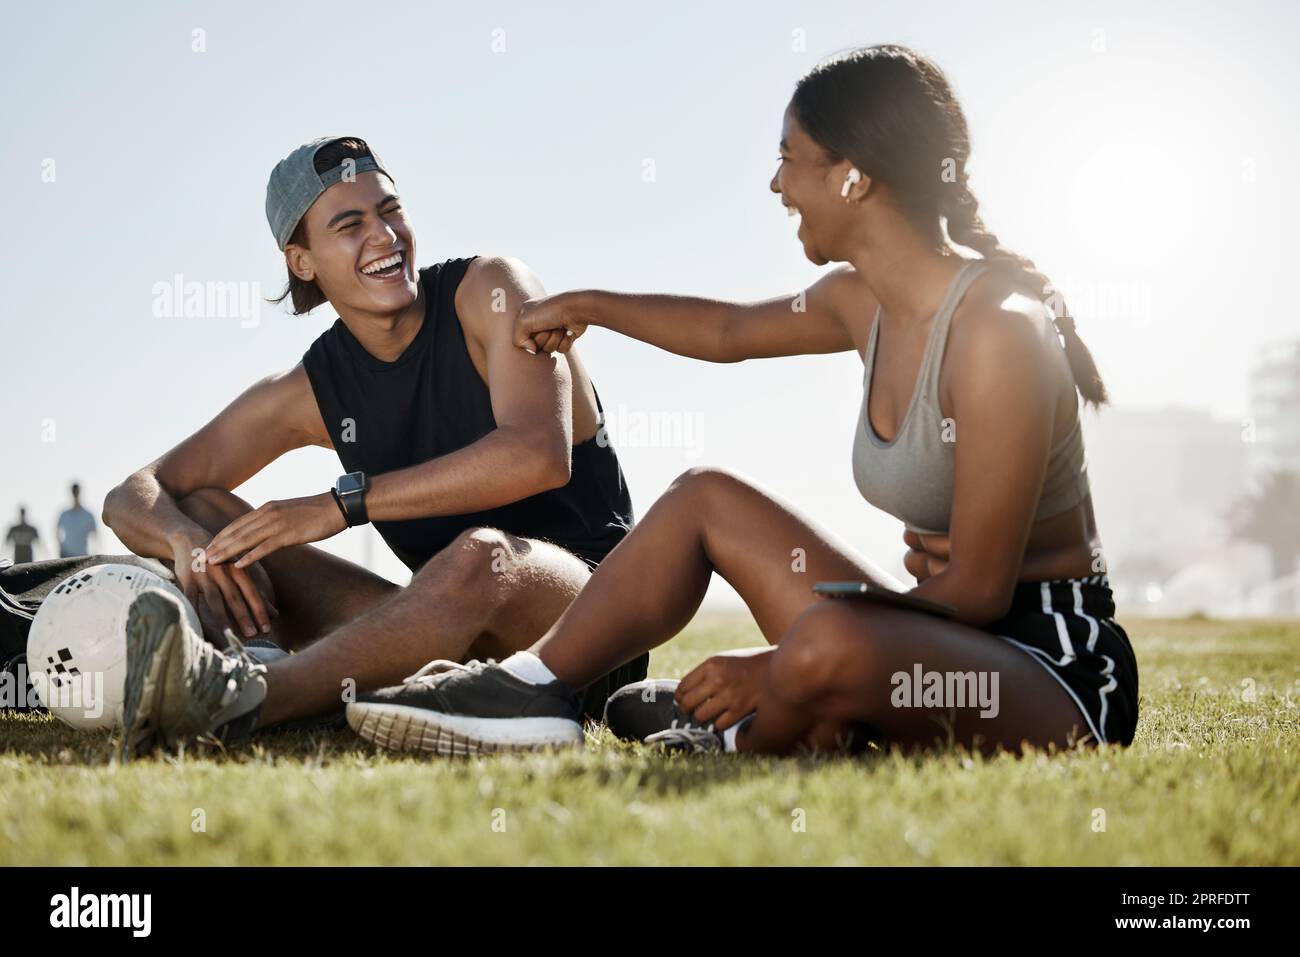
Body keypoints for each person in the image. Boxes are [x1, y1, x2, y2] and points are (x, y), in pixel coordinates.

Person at [346, 45, 1139, 757]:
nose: (776, 183)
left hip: (1047, 667)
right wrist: (591, 305)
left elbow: (975, 593)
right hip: (934, 641)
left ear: (852, 175)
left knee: (828, 643)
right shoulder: (859, 301)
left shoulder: (1000, 332)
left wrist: (780, 660)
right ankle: (528, 689)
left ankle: (761, 722)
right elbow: (727, 330)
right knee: (704, 498)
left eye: (789, 158)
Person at [104, 136, 639, 758]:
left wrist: (340, 504)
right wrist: (184, 542)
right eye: (351, 224)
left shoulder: (489, 292)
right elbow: (132, 495)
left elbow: (537, 455)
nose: (385, 236)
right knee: (206, 512)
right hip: (444, 625)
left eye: (391, 210)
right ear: (301, 261)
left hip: (591, 631)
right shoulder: (315, 386)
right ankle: (265, 655)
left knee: (480, 556)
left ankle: (240, 699)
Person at [56, 484, 98, 558]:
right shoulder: (64, 514)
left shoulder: (88, 515)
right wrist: (60, 547)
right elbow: (57, 531)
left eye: (77, 492)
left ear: (80, 492)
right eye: (74, 492)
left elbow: (95, 535)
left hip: (82, 556)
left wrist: (94, 553)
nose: (75, 494)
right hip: (66, 555)